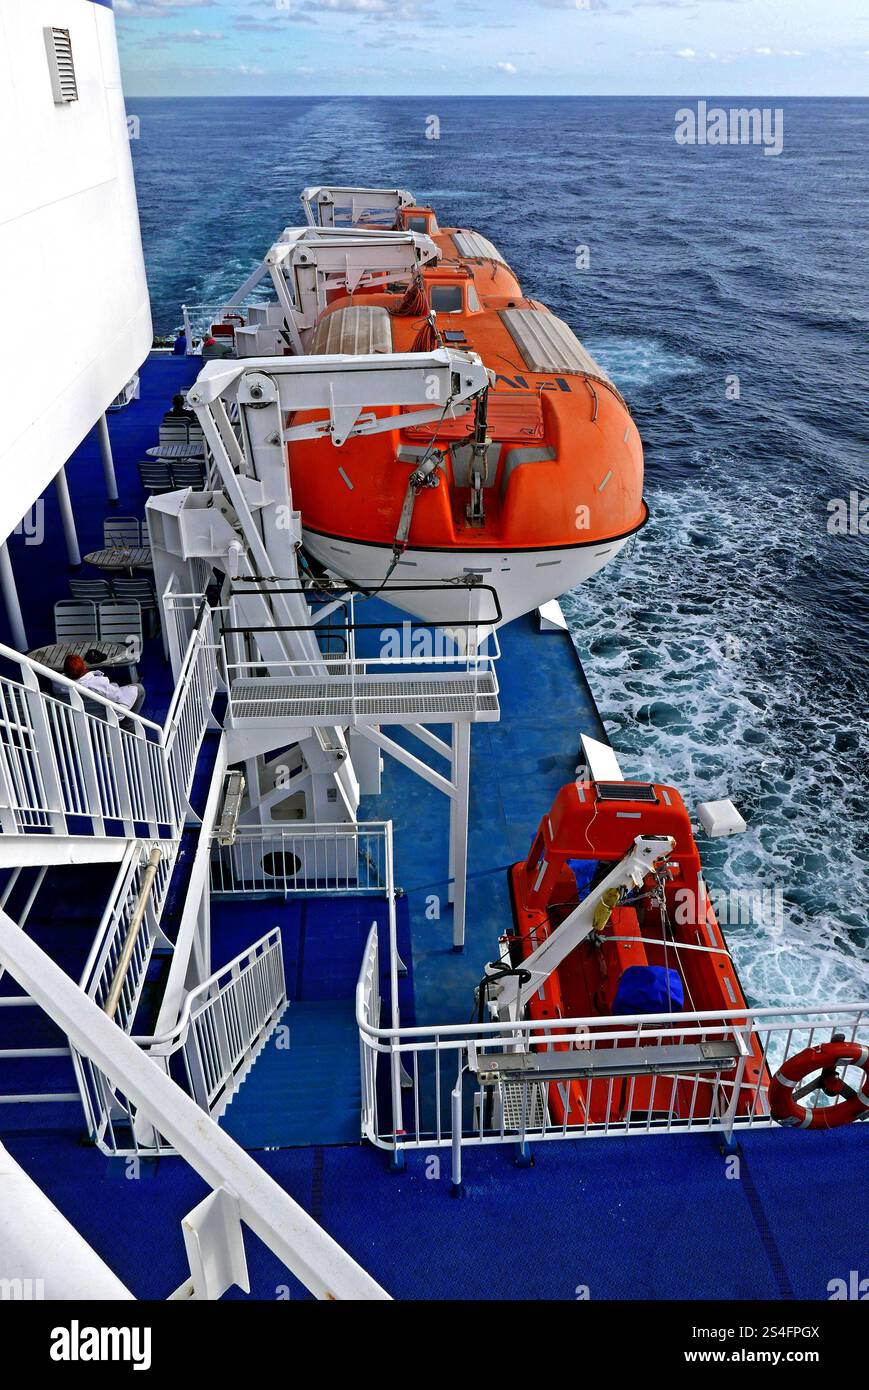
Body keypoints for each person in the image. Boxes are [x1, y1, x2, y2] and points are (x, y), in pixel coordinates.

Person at [62, 655, 146, 715]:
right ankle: (127, 727)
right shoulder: (98, 683)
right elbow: (117, 696)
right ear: (84, 667)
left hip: (79, 714)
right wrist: (114, 686)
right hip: (105, 716)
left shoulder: (58, 684)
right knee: (139, 688)